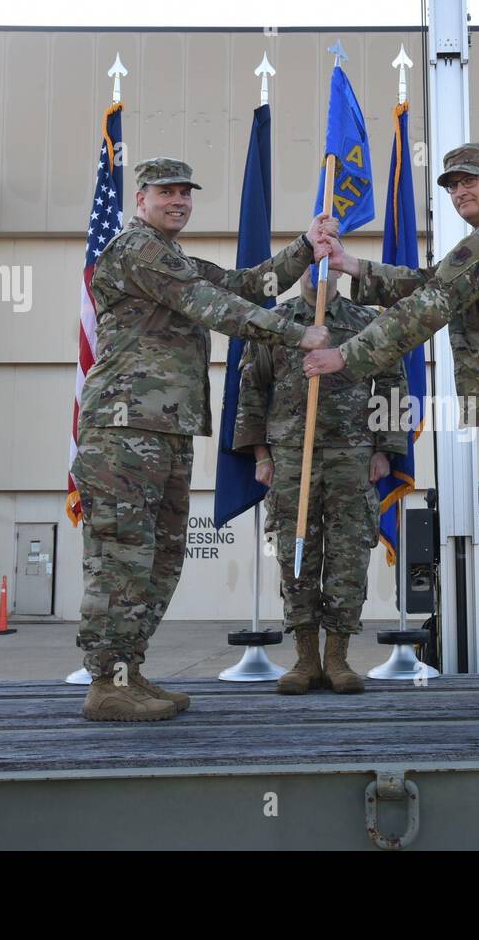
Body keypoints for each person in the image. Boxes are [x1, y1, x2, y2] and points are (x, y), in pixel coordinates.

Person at [303, 142, 479, 719]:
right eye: (452, 186)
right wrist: (354, 268)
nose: (461, 193)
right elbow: (436, 282)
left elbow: (432, 303)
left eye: (471, 182)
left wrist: (347, 357)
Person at [72, 156, 333, 721]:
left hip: (166, 427)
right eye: (166, 192)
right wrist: (296, 332)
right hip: (123, 430)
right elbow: (214, 307)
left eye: (185, 193)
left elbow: (246, 286)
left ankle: (129, 673)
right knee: (122, 557)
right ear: (140, 199)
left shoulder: (176, 260)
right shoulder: (136, 251)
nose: (178, 202)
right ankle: (106, 683)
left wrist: (305, 248)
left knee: (161, 556)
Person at [233, 270, 409, 694]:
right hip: (292, 456)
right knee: (298, 556)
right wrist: (260, 454)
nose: (320, 269)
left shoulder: (365, 321)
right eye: (312, 258)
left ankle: (338, 657)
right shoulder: (276, 321)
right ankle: (305, 657)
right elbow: (252, 389)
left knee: (349, 555)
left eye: (329, 257)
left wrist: (385, 449)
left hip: (353, 457)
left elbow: (391, 384)